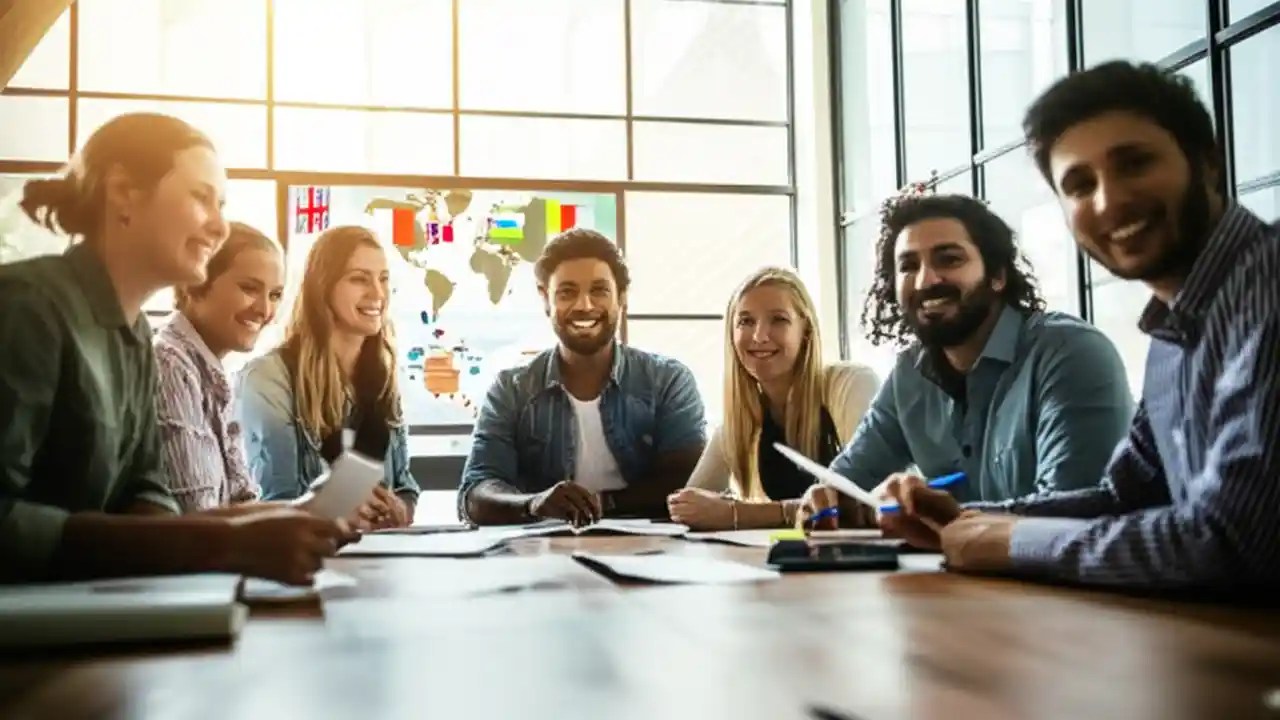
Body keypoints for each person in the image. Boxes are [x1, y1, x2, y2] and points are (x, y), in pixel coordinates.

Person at [876, 61, 1280, 591]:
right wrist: (960, 519)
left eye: (1134, 164)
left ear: (1207, 162)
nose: (1109, 201)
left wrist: (1012, 541)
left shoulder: (1268, 287)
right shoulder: (1171, 334)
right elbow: (1123, 496)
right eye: (1079, 184)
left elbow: (1234, 540)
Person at [0, 112, 351, 586]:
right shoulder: (28, 308)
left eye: (221, 205)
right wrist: (227, 543)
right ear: (123, 192)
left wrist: (275, 524)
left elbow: (146, 497)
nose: (220, 227)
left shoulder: (136, 338)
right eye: (201, 198)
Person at [798, 192, 1134, 527]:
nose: (926, 280)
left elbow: (1073, 515)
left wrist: (944, 519)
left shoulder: (1071, 353)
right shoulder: (909, 376)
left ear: (998, 275)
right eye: (909, 266)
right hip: (957, 577)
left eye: (949, 259)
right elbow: (845, 484)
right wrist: (824, 501)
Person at [459, 228, 706, 526]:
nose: (584, 306)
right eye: (567, 292)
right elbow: (476, 493)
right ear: (545, 299)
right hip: (542, 557)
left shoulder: (667, 381)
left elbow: (689, 483)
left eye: (599, 290)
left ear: (622, 296)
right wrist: (534, 503)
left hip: (653, 551)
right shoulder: (511, 389)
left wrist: (600, 504)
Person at [236, 225, 420, 529]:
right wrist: (343, 504)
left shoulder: (382, 379)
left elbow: (404, 487)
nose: (378, 293)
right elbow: (278, 501)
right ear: (324, 287)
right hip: (307, 563)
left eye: (384, 279)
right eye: (359, 279)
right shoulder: (269, 379)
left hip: (379, 562)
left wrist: (398, 509)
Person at [667, 267, 879, 530]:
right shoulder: (739, 421)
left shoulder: (850, 384)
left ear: (806, 331)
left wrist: (740, 514)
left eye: (778, 320)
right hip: (792, 564)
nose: (759, 336)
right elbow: (690, 505)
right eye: (745, 321)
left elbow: (869, 496)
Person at [154, 222, 283, 513]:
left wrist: (318, 511)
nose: (264, 310)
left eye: (275, 295)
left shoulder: (211, 372)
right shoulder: (169, 364)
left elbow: (241, 501)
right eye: (249, 288)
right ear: (194, 283)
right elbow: (198, 515)